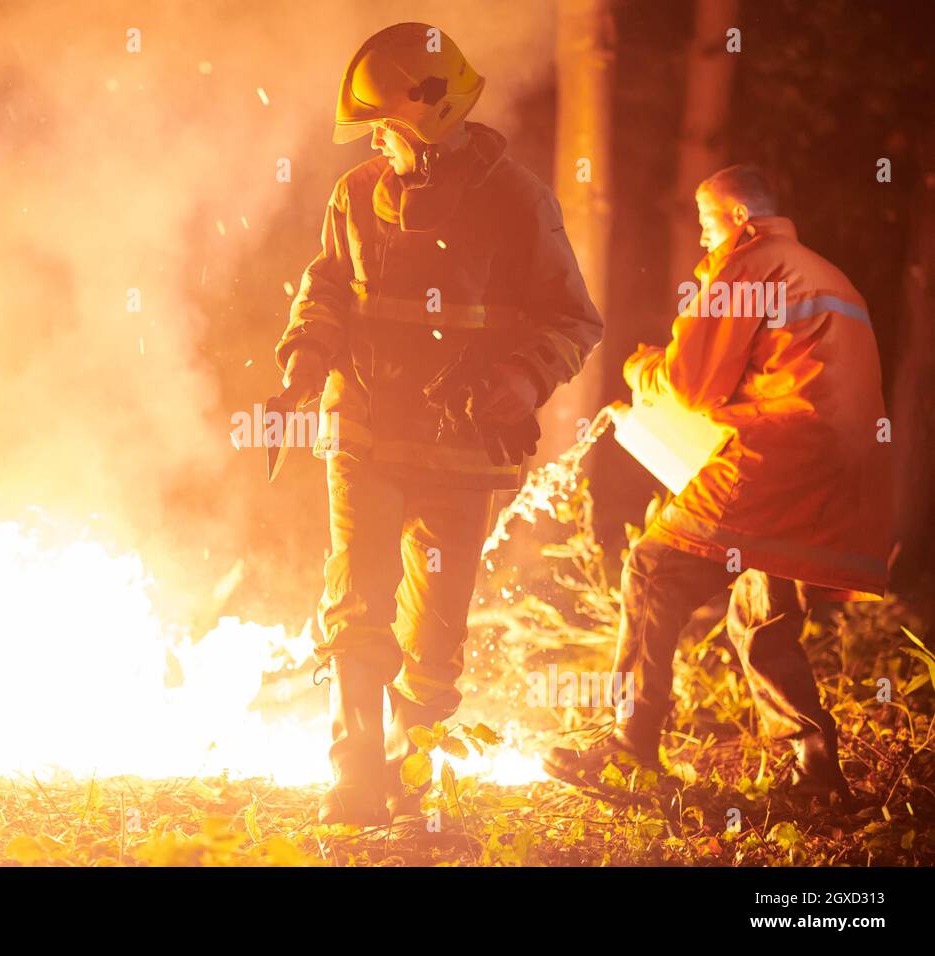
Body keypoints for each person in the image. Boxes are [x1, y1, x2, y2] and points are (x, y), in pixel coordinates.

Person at [276, 22, 603, 825]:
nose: (378, 141)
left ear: (432, 109)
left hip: (461, 452)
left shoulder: (518, 201)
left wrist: (521, 380)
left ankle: (409, 768)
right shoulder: (355, 195)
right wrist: (303, 361)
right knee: (357, 599)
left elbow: (573, 319)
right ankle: (354, 775)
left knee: (433, 635)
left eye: (386, 124)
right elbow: (324, 292)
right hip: (361, 433)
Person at [543, 164, 892, 801]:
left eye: (706, 225)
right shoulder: (825, 273)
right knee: (762, 607)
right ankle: (815, 771)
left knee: (652, 570)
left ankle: (627, 746)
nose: (704, 241)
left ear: (736, 218)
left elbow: (693, 385)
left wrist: (644, 368)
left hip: (780, 455)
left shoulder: (749, 264)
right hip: (846, 473)